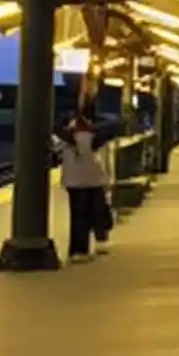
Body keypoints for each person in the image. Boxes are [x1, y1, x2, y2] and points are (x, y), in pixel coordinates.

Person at [57, 113, 113, 263]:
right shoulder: (96, 138)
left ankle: (77, 250)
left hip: (73, 183)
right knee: (96, 213)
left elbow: (53, 149)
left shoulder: (66, 139)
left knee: (78, 217)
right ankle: (98, 242)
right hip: (94, 181)